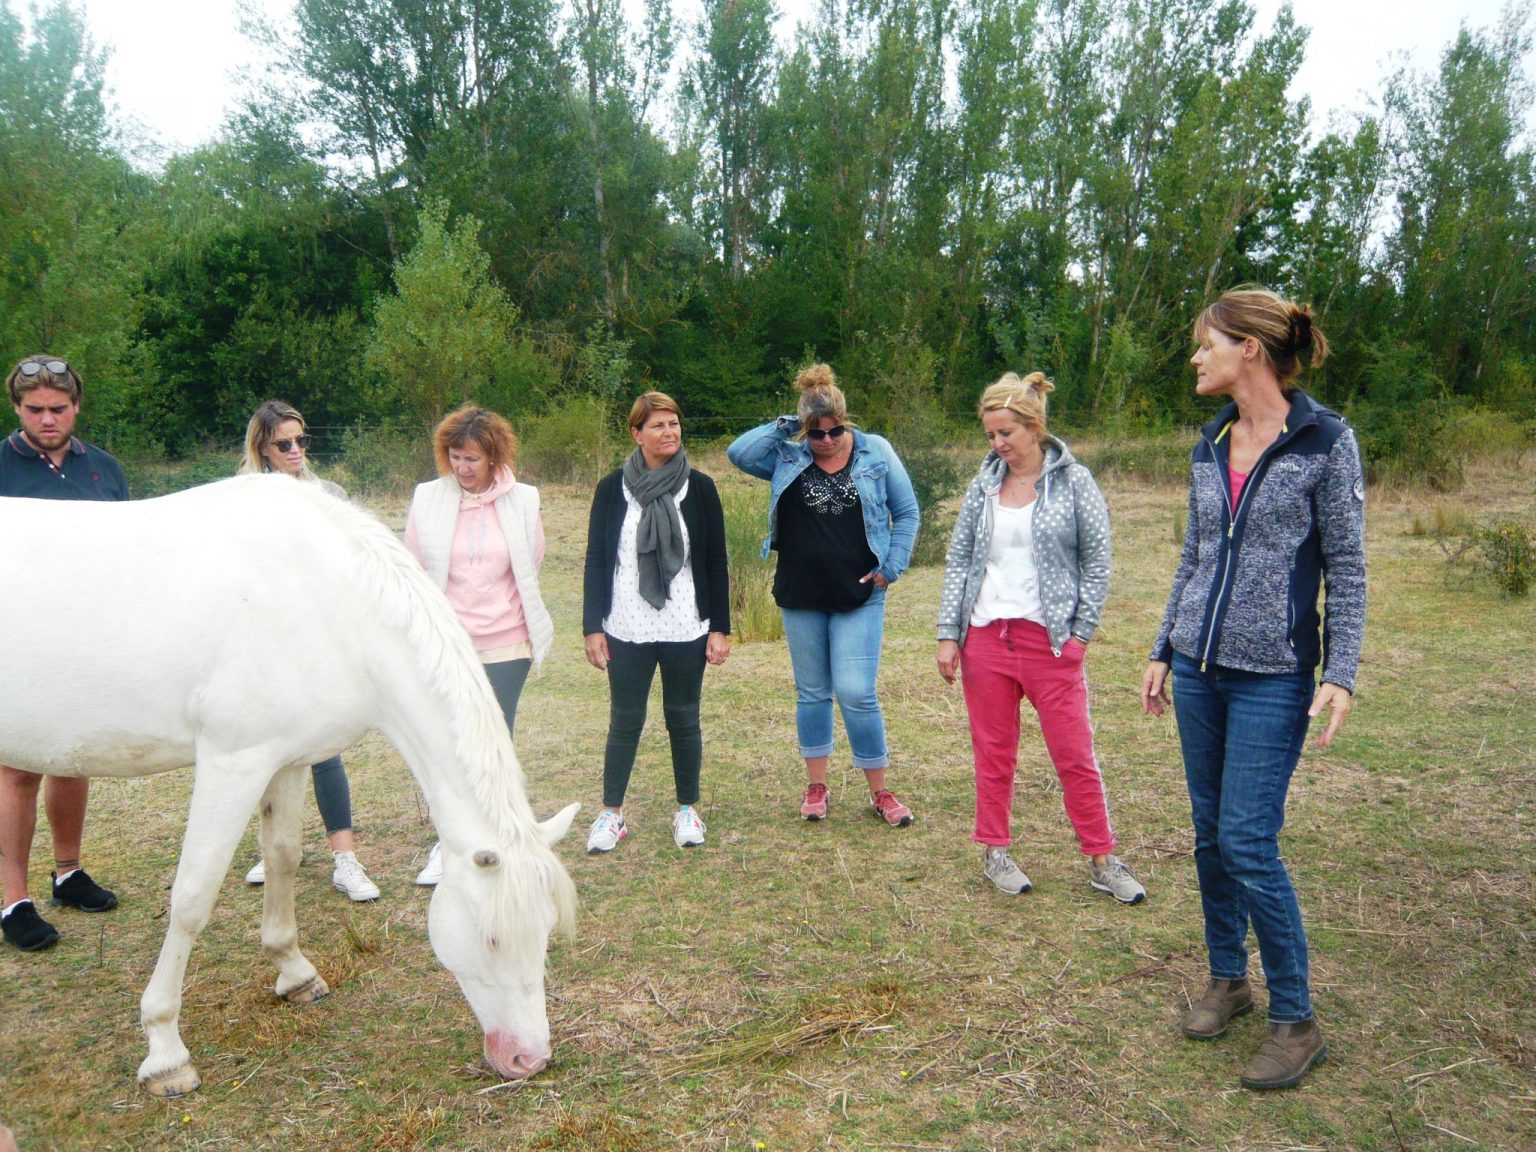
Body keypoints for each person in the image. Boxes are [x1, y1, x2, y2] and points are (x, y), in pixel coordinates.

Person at [1140, 288, 1366, 1091]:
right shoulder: (1210, 442)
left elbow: (1347, 567)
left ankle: (1296, 1019)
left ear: (1251, 351)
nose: (1196, 358)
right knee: (1209, 836)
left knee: (1247, 842)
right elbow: (1195, 555)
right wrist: (1164, 647)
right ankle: (1228, 979)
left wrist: (1340, 672)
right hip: (1198, 669)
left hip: (1274, 676)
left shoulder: (1326, 441)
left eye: (1207, 344)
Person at [936, 373, 1145, 904]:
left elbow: (1097, 562)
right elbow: (959, 559)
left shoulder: (1075, 482)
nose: (997, 443)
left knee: (1074, 755)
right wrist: (948, 634)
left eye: (1006, 432)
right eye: (990, 434)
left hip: (1050, 645)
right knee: (994, 752)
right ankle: (995, 852)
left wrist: (1080, 636)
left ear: (1034, 427)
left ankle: (1102, 860)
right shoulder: (983, 485)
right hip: (986, 640)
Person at [727, 363, 919, 826]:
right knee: (812, 693)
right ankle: (817, 786)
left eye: (836, 430)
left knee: (856, 692)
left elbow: (907, 511)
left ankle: (880, 791)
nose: (827, 441)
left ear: (846, 422)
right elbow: (739, 453)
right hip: (802, 591)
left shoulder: (876, 451)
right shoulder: (787, 456)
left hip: (860, 592)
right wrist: (791, 425)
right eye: (817, 433)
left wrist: (891, 567)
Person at [1, 356, 128, 951]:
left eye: (58, 408)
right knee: (18, 767)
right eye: (35, 410)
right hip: (18, 642)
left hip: (86, 640)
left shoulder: (104, 469)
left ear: (76, 407)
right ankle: (13, 900)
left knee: (73, 756)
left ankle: (68, 872)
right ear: (17, 409)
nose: (47, 419)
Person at [234, 400, 380, 902]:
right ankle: (273, 847)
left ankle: (346, 859)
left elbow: (355, 564)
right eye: (284, 443)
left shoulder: (328, 496)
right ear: (263, 449)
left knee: (325, 752)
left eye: (302, 439)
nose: (296, 450)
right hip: (265, 644)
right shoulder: (242, 501)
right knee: (269, 753)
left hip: (319, 643)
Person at [405, 404, 553, 885]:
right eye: (454, 457)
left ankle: (497, 837)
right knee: (451, 744)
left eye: (471, 458)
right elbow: (414, 565)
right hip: (448, 644)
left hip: (507, 643)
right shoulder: (427, 498)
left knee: (495, 744)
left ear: (493, 456)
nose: (462, 468)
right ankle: (449, 842)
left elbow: (531, 562)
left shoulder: (524, 499)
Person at [582, 392, 731, 852]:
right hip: (626, 623)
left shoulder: (700, 488)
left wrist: (720, 627)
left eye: (674, 423)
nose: (669, 432)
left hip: (686, 623)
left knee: (683, 717)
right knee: (625, 719)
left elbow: (715, 560)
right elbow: (597, 559)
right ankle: (612, 814)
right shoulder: (612, 489)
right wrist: (592, 626)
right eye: (658, 425)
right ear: (636, 434)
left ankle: (687, 810)